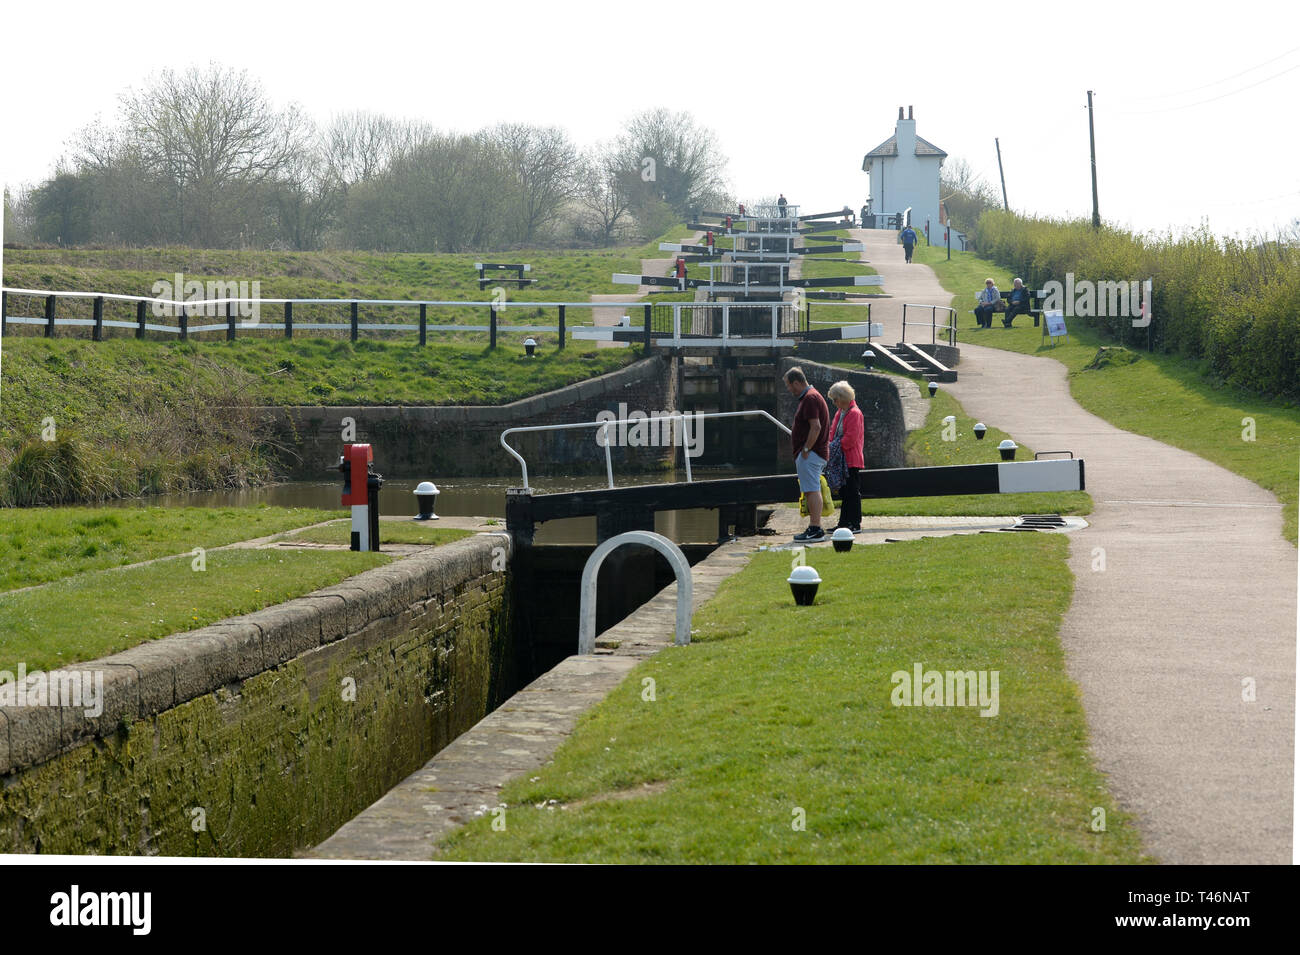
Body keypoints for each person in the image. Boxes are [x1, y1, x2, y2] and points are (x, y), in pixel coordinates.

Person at [784, 367, 830, 542]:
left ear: (797, 382)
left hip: (811, 454)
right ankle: (814, 527)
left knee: (812, 489)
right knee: (811, 489)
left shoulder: (810, 398)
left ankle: (815, 528)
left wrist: (805, 450)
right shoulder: (812, 396)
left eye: (789, 386)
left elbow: (816, 426)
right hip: (812, 454)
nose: (790, 390)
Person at [827, 381, 865, 533]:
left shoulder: (854, 413)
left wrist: (835, 447)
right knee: (846, 493)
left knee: (852, 492)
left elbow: (851, 438)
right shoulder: (840, 412)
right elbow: (832, 431)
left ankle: (855, 523)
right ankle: (843, 523)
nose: (834, 403)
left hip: (851, 459)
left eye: (835, 399)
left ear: (842, 398)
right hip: (841, 459)